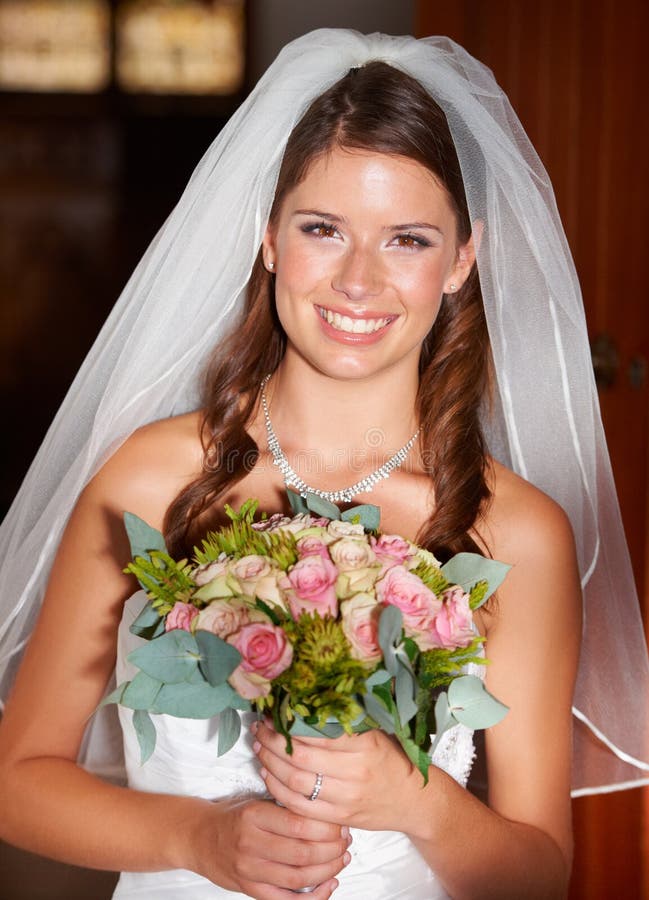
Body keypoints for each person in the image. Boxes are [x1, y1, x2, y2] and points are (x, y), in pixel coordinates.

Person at [0, 28, 647, 900]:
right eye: (322, 229)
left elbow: (536, 873)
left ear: (462, 261)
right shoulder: (151, 480)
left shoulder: (518, 531)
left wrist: (416, 802)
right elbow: (17, 779)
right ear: (268, 238)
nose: (357, 280)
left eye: (407, 240)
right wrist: (198, 837)